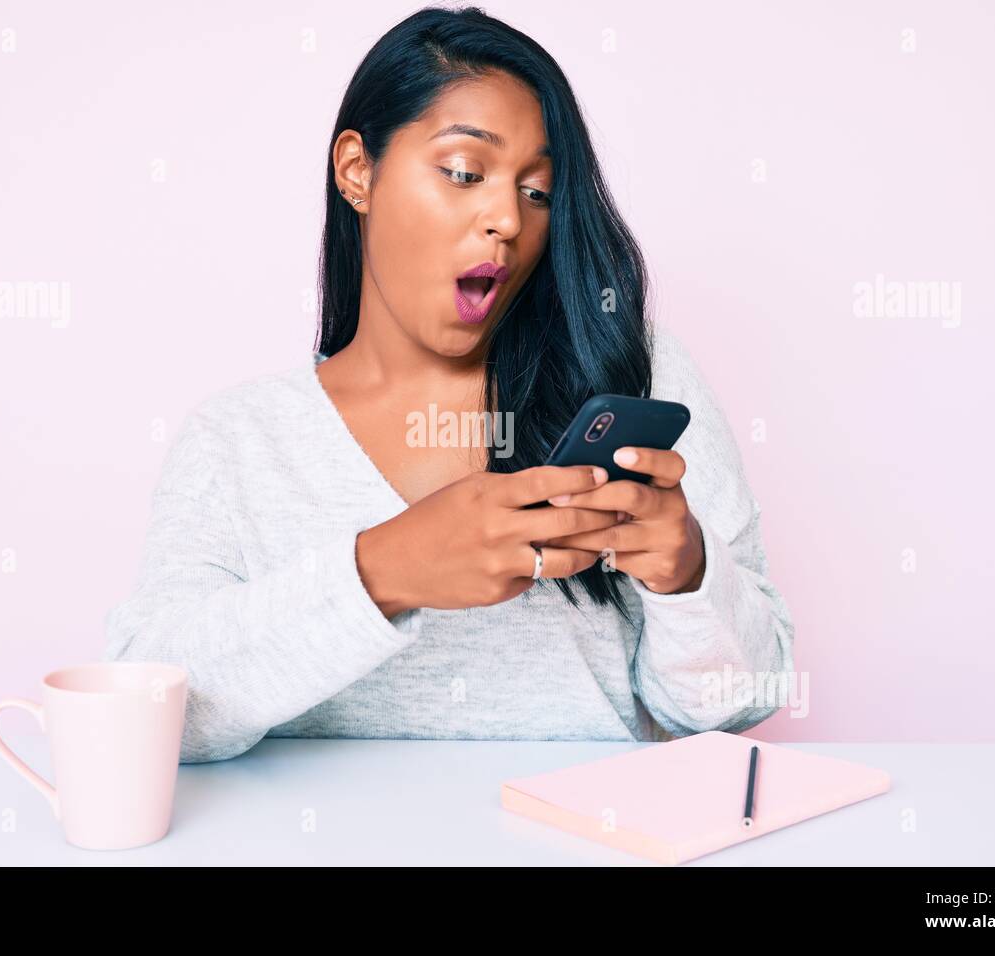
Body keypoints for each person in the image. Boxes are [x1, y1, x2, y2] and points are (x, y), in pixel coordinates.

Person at [104, 6, 795, 763]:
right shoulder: (239, 439)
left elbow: (745, 699)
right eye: (465, 173)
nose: (506, 217)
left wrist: (685, 572)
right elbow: (151, 706)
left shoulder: (631, 371)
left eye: (537, 193)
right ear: (357, 170)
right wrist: (386, 569)